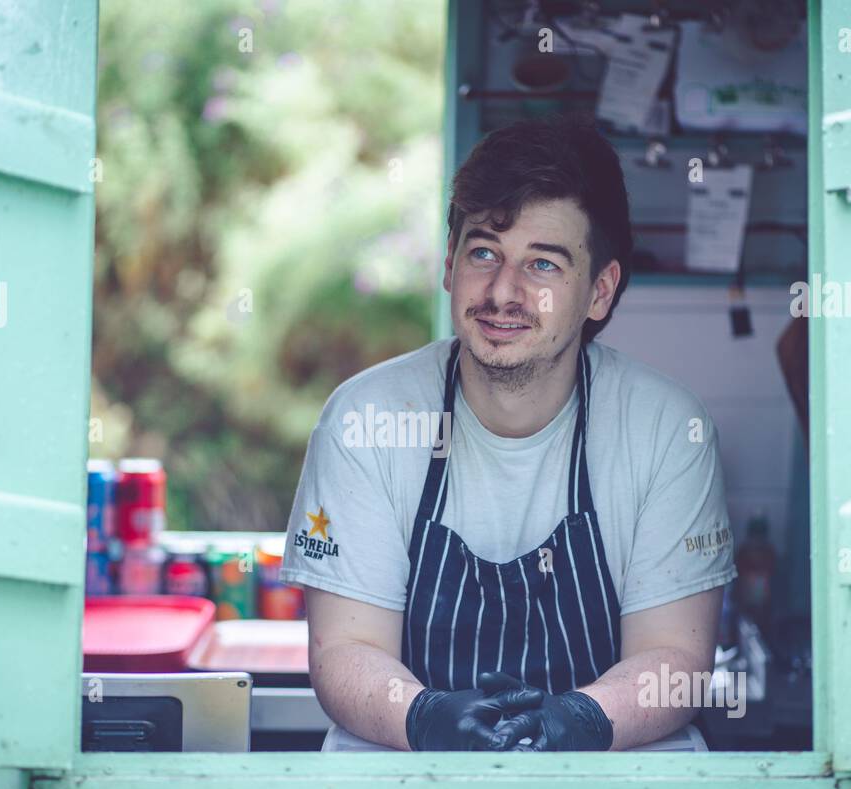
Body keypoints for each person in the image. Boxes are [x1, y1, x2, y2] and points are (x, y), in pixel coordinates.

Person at [279, 113, 736, 752]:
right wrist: (424, 719)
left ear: (600, 291)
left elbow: (676, 658)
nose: (503, 292)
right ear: (448, 265)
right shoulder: (366, 421)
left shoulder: (665, 429)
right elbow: (345, 649)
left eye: (543, 265)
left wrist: (577, 722)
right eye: (485, 252)